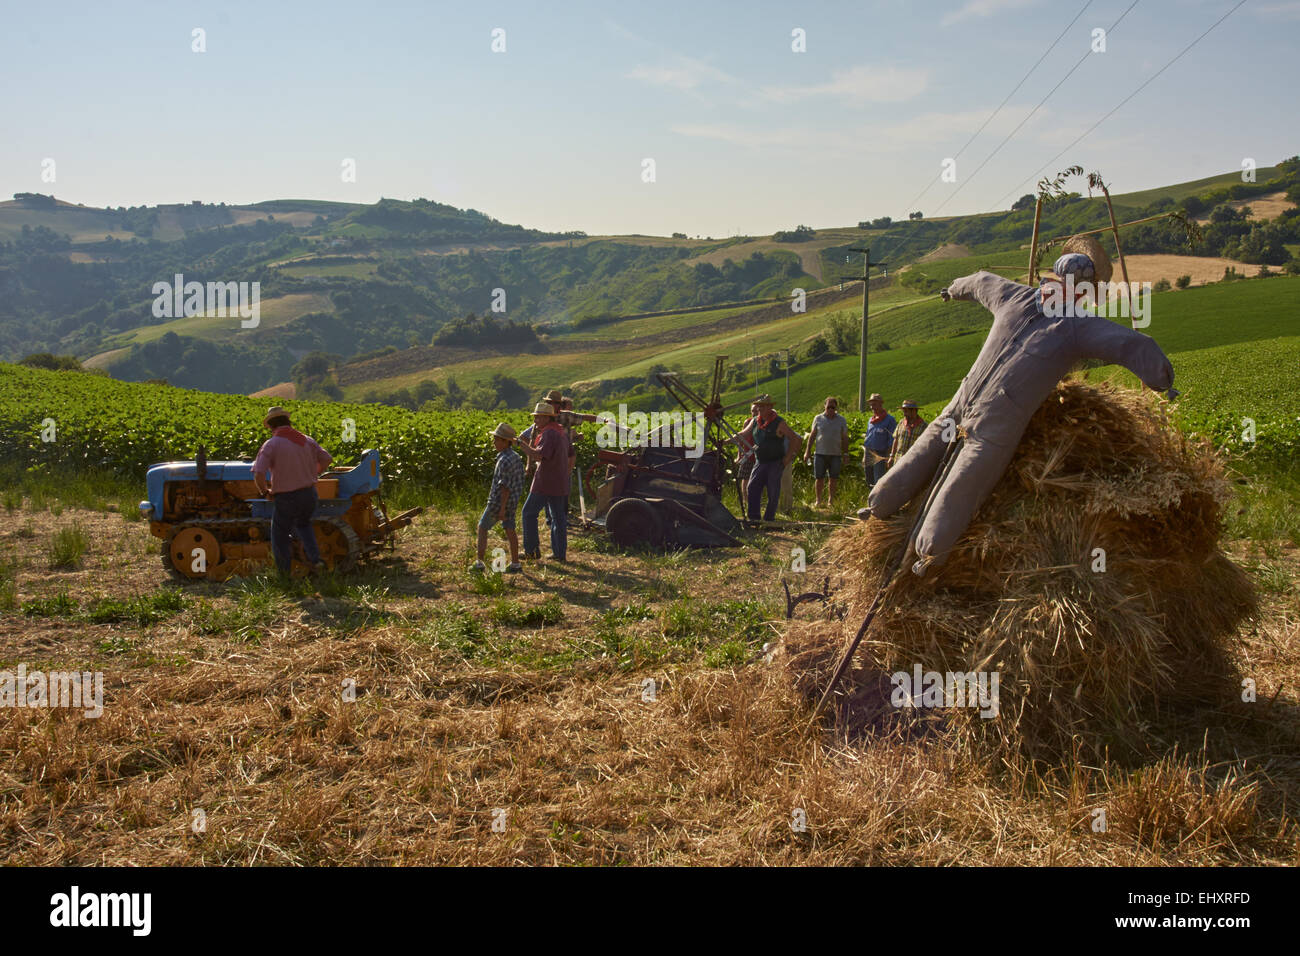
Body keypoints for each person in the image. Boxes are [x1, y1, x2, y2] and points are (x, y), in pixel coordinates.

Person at [860, 243, 1175, 577]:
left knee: (928, 446)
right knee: (964, 483)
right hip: (997, 419)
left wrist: (952, 291)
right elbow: (1132, 344)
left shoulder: (1015, 297)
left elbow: (980, 280)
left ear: (1054, 276)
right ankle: (928, 554)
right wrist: (1163, 382)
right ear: (1085, 291)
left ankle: (878, 504)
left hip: (962, 399)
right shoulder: (1078, 326)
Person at [252, 405, 333, 576]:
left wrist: (264, 491)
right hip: (309, 494)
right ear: (287, 422)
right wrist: (313, 472)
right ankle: (316, 560)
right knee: (304, 525)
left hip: (286, 497)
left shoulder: (272, 444)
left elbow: (259, 472)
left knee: (280, 536)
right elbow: (326, 459)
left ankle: (284, 576)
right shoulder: (307, 440)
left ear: (272, 426)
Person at [518, 402, 573, 562]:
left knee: (528, 513)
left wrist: (520, 444)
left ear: (547, 418)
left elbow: (538, 456)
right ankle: (559, 554)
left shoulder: (548, 433)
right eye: (535, 417)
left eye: (538, 417)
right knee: (558, 517)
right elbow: (570, 453)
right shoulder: (560, 431)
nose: (535, 420)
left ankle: (531, 551)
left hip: (546, 481)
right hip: (560, 480)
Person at [736, 394, 801, 522]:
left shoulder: (779, 422)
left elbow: (794, 438)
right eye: (759, 407)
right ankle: (754, 517)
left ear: (770, 407)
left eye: (762, 407)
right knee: (752, 487)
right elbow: (743, 434)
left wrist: (788, 458)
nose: (760, 409)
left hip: (775, 462)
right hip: (760, 461)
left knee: (773, 490)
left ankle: (769, 518)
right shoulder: (755, 421)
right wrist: (727, 441)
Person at [472, 422, 525, 574]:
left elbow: (504, 487)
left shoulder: (504, 460)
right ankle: (515, 564)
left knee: (482, 528)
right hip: (512, 502)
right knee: (510, 530)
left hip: (498, 502)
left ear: (505, 441)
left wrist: (501, 508)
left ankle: (479, 564)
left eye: (496, 439)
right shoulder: (515, 457)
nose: (494, 442)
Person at [803, 396, 850, 508]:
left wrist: (846, 454)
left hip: (836, 454)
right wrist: (807, 451)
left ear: (836, 408)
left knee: (833, 478)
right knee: (819, 478)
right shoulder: (818, 418)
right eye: (828, 407)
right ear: (824, 406)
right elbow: (812, 436)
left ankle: (830, 501)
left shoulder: (841, 420)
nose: (830, 409)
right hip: (820, 453)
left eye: (832, 407)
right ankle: (818, 501)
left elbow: (845, 438)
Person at [862, 393, 896, 487]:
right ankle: (871, 497)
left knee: (878, 479)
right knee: (869, 478)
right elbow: (868, 436)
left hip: (880, 453)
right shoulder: (871, 420)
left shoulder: (889, 420)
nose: (872, 407)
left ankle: (878, 500)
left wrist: (889, 456)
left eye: (874, 404)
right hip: (869, 452)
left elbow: (891, 439)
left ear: (881, 404)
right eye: (871, 404)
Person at [887, 400, 927, 469]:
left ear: (914, 411)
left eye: (906, 411)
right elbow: (896, 440)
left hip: (913, 463)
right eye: (903, 411)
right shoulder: (901, 423)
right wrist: (892, 456)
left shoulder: (923, 426)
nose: (904, 414)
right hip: (898, 461)